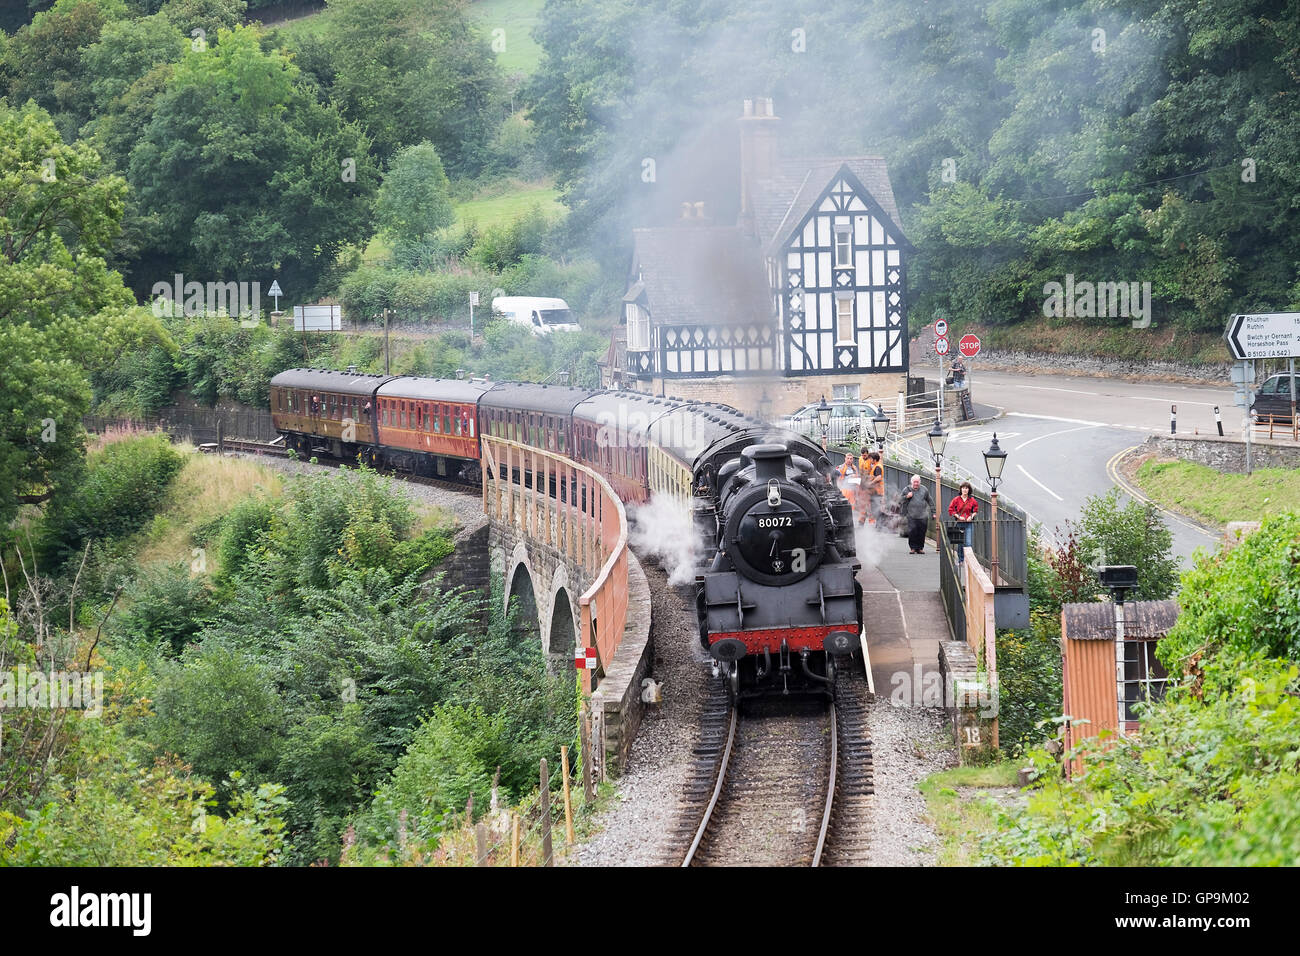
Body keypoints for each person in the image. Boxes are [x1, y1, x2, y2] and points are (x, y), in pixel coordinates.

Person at [902, 473, 934, 554]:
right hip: (911, 515)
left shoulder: (924, 489)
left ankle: (920, 548)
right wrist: (907, 497)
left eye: (917, 482)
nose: (916, 484)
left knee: (921, 532)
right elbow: (899, 500)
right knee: (912, 532)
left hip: (923, 515)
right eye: (914, 482)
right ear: (911, 482)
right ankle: (913, 548)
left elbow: (930, 501)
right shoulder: (906, 489)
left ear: (920, 482)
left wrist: (934, 512)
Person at [947, 480, 978, 558]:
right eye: (963, 488)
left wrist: (971, 517)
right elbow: (951, 510)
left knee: (968, 543)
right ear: (961, 489)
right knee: (960, 543)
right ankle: (961, 559)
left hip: (968, 524)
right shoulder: (956, 499)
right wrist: (958, 516)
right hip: (959, 523)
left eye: (967, 488)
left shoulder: (972, 500)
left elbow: (975, 510)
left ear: (969, 490)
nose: (965, 490)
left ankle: (968, 561)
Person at [859, 450, 885, 527]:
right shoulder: (876, 466)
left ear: (874, 459)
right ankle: (878, 525)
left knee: (877, 508)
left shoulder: (877, 467)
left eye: (871, 459)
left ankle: (879, 525)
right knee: (875, 508)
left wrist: (870, 483)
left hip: (877, 492)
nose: (870, 460)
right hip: (875, 491)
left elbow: (879, 477)